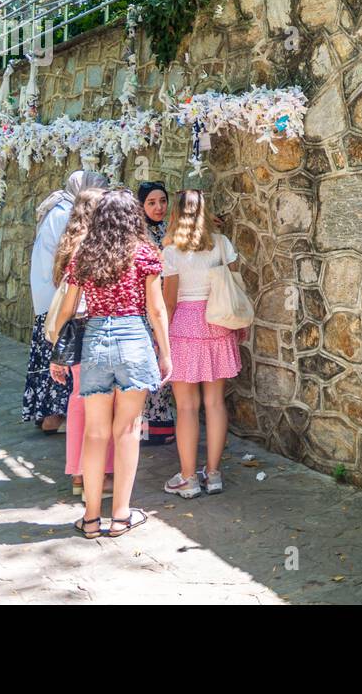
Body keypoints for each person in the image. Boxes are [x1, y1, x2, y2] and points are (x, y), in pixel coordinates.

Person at [54, 188, 173, 537]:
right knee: (127, 431)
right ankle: (120, 515)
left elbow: (67, 307)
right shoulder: (145, 255)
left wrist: (56, 349)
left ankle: (90, 518)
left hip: (94, 340)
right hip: (134, 338)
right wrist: (164, 353)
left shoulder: (85, 256)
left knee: (95, 432)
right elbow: (156, 309)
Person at [160, 190, 245, 498]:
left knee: (186, 406)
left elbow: (168, 302)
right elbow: (233, 288)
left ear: (176, 215)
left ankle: (188, 478)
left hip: (184, 328)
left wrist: (161, 341)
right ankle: (214, 474)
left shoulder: (170, 252)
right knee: (215, 403)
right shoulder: (222, 243)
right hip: (218, 323)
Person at [23, 170, 109, 433]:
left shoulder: (58, 209)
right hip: (60, 300)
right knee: (62, 357)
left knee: (50, 355)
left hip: (49, 296)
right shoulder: (66, 214)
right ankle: (57, 418)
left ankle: (48, 415)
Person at [45, 188, 115, 498]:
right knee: (101, 404)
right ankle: (99, 473)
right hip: (96, 327)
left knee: (77, 401)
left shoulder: (68, 246)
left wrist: (55, 347)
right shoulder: (99, 248)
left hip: (73, 331)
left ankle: (77, 472)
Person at [137, 180, 176, 446]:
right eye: (151, 202)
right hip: (143, 309)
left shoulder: (171, 229)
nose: (158, 207)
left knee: (163, 363)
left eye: (162, 201)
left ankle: (161, 426)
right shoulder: (136, 235)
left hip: (167, 307)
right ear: (141, 206)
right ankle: (140, 426)